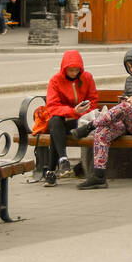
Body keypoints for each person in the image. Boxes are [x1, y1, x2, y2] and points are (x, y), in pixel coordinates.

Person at [74, 45, 132, 190]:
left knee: (125, 108)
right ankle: (98, 177)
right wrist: (126, 101)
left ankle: (90, 126)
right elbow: (125, 105)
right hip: (129, 122)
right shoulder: (129, 80)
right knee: (103, 131)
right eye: (129, 67)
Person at [42, 49, 98, 186]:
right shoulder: (55, 81)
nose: (74, 73)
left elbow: (93, 100)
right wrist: (72, 111)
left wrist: (79, 112)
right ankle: (62, 160)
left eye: (76, 70)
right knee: (55, 121)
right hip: (63, 120)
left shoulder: (87, 78)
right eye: (70, 70)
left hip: (81, 122)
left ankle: (52, 170)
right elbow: (53, 106)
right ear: (64, 69)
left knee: (56, 130)